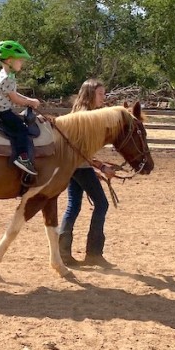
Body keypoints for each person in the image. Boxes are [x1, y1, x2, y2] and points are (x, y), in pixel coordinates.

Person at [57, 78, 117, 267]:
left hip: (73, 166)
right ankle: (94, 254)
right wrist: (101, 167)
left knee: (73, 206)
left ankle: (63, 253)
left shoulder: (80, 113)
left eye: (104, 94)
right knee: (102, 204)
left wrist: (96, 166)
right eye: (100, 94)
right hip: (80, 166)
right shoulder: (86, 116)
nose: (103, 98)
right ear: (91, 94)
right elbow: (80, 149)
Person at [0, 40, 40, 176]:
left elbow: (14, 93)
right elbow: (15, 99)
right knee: (21, 130)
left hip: (2, 109)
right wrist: (30, 102)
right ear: (10, 60)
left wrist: (29, 101)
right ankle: (22, 158)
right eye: (20, 60)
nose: (22, 63)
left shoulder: (7, 75)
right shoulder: (6, 78)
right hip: (2, 112)